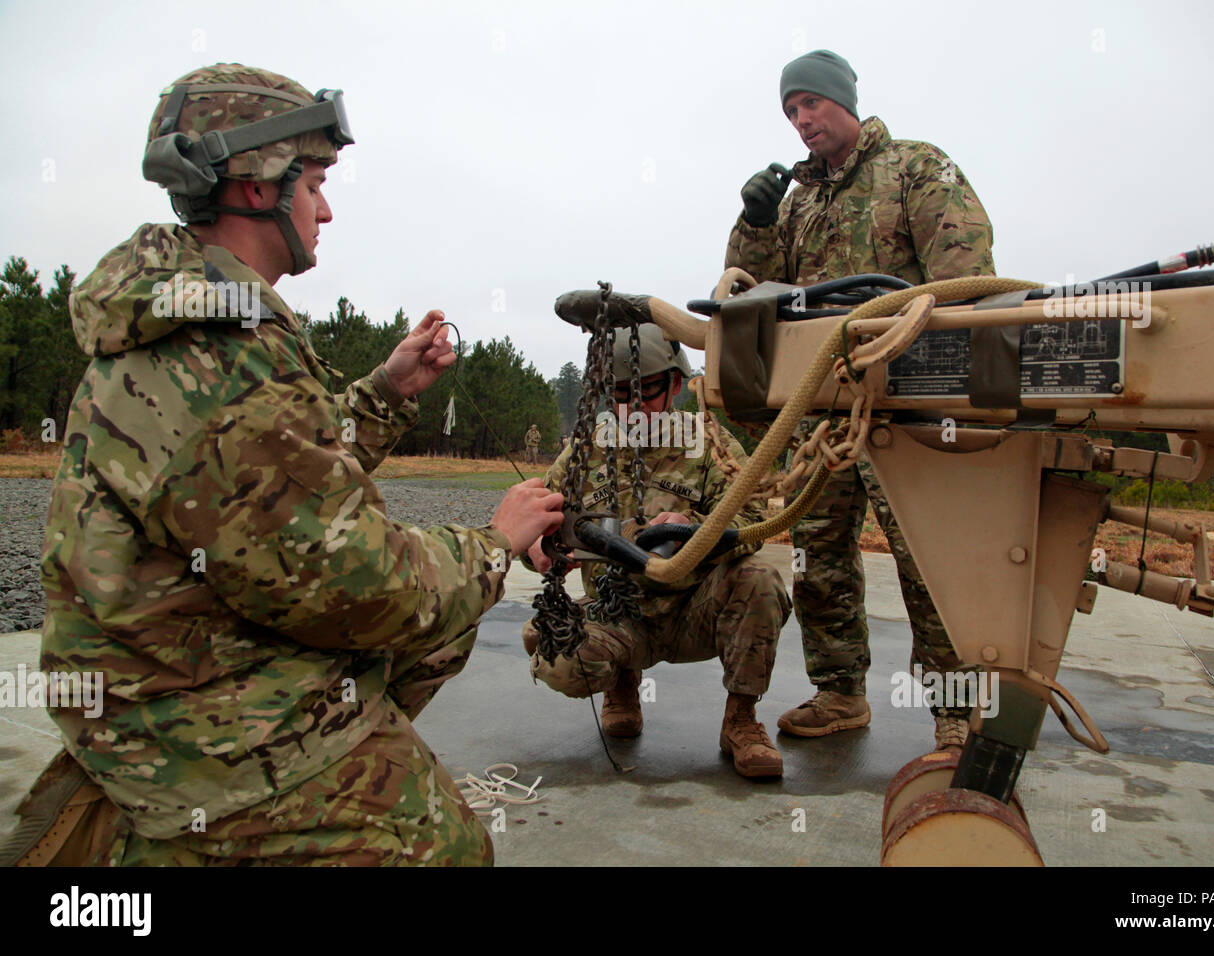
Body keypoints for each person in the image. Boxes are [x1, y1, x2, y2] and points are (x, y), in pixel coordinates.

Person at [2, 64, 563, 867]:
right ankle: (191, 834)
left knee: (441, 639)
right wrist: (495, 542)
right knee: (449, 849)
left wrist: (388, 389)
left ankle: (324, 771)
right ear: (260, 188)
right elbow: (361, 587)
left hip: (164, 664)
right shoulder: (224, 354)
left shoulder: (193, 312)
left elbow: (275, 474)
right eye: (317, 182)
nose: (327, 209)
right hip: (190, 718)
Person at [725, 49, 995, 750]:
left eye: (809, 103)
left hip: (910, 406)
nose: (800, 120)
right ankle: (840, 691)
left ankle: (959, 714)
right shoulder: (797, 205)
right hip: (824, 412)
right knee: (819, 554)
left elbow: (967, 279)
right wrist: (754, 221)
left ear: (843, 98)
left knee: (932, 562)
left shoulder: (914, 168)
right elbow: (745, 296)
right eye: (789, 111)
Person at [521, 325, 792, 778]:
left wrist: (698, 529)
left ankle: (740, 721)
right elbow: (531, 520)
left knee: (760, 579)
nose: (632, 407)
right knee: (555, 656)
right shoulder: (586, 450)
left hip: (694, 610)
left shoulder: (707, 443)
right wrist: (536, 548)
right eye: (620, 394)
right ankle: (621, 685)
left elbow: (755, 521)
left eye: (644, 391)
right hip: (618, 614)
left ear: (675, 385)